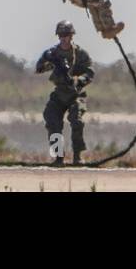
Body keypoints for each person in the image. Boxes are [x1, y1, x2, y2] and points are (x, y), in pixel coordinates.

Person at [36, 21, 94, 165]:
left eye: (66, 35)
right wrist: (51, 62)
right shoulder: (53, 52)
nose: (63, 38)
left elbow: (90, 72)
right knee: (52, 119)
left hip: (76, 93)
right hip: (60, 92)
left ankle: (77, 156)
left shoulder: (80, 54)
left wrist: (79, 80)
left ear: (71, 36)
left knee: (77, 121)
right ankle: (58, 157)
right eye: (61, 35)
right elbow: (39, 68)